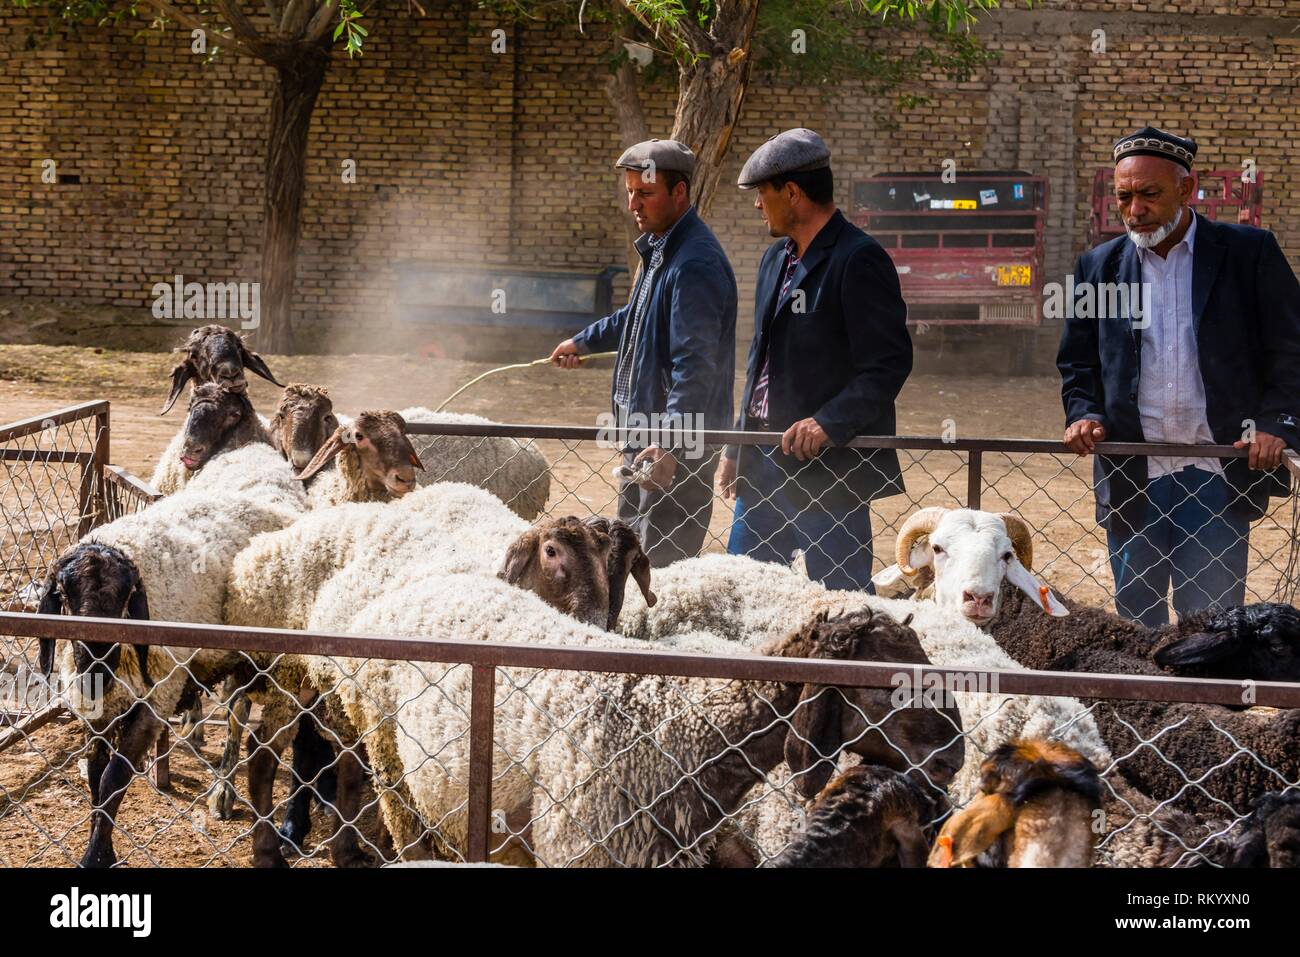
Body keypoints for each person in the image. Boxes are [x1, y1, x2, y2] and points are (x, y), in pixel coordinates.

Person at [1058, 126, 1300, 627]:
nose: (1135, 209)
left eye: (1149, 194)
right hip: (1132, 470)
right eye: (1124, 196)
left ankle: (1206, 708)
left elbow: (1290, 348)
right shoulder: (1098, 267)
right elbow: (1078, 361)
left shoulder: (1247, 254)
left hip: (1214, 469)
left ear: (1186, 190)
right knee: (1136, 624)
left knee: (1210, 624)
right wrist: (1084, 413)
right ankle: (1144, 706)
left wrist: (1277, 422)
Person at [720, 128, 912, 591]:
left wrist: (827, 422)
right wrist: (735, 447)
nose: (756, 204)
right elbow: (758, 360)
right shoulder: (773, 260)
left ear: (792, 192)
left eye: (761, 193)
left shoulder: (859, 259)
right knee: (742, 593)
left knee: (840, 602)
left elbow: (888, 364)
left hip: (829, 473)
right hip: (763, 466)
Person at [551, 139, 737, 567]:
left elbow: (694, 365)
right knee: (625, 554)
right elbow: (634, 317)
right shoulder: (661, 250)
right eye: (631, 191)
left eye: (646, 193)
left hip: (677, 442)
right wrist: (583, 341)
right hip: (647, 434)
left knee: (658, 564)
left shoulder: (695, 264)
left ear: (679, 193)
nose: (634, 203)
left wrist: (669, 445)